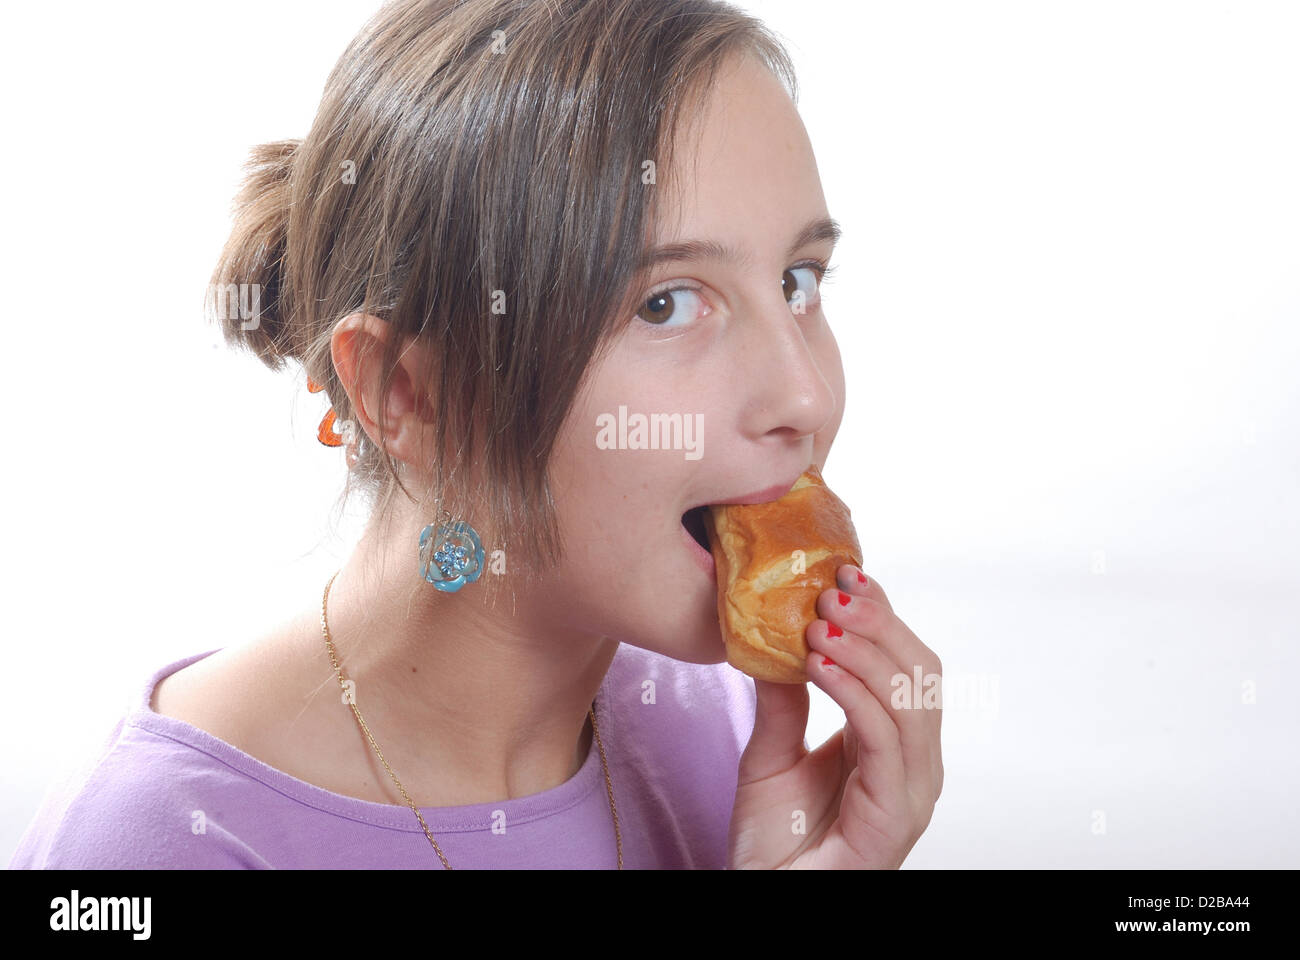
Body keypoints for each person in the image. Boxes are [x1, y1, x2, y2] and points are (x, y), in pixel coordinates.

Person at [10, 0, 941, 869]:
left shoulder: (732, 736)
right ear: (402, 393)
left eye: (799, 281)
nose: (807, 395)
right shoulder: (163, 843)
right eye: (667, 303)